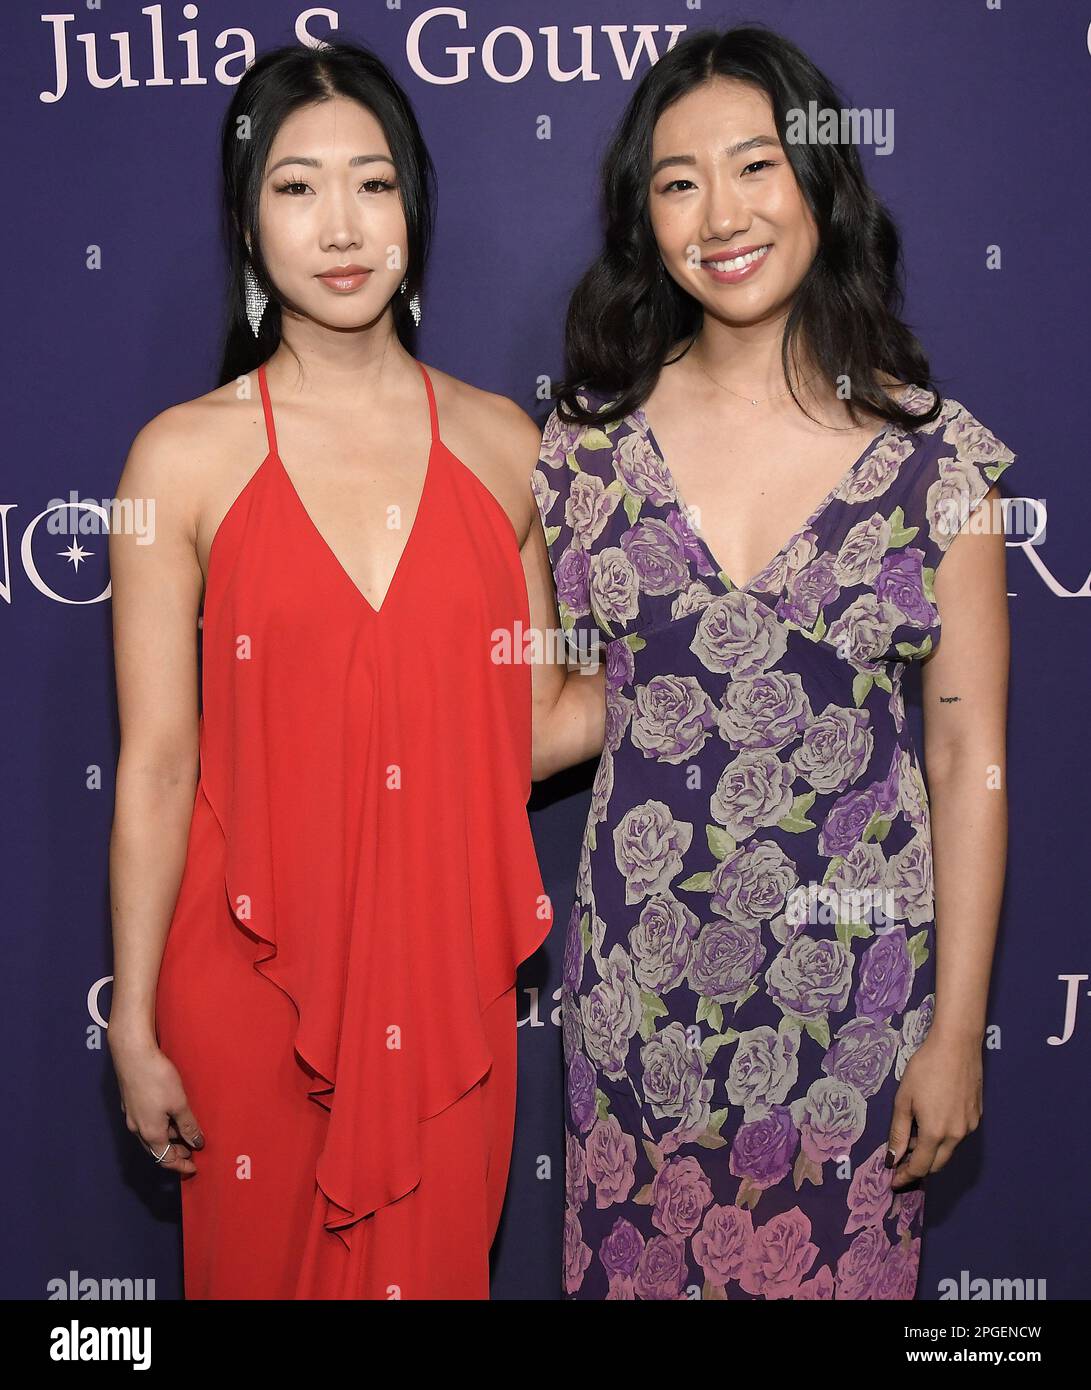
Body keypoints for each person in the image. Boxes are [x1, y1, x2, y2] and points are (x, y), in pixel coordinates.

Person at [107, 40, 599, 1300]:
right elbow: (160, 764)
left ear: (412, 209)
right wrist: (137, 1022)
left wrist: (721, 656)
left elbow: (533, 723)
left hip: (440, 991)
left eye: (372, 184)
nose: (339, 224)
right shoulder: (178, 459)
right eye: (295, 186)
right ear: (247, 218)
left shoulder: (504, 446)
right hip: (244, 984)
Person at [534, 25, 1016, 1300]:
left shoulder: (932, 461)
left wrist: (953, 1029)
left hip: (853, 1006)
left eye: (755, 164)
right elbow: (554, 713)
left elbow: (968, 753)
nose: (721, 212)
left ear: (820, 183)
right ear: (645, 218)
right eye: (677, 180)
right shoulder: (581, 451)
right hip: (637, 998)